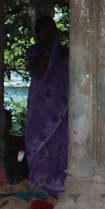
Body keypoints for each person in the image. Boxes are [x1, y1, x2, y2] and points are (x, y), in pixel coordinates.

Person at [24, 16, 70, 194]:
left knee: (62, 146)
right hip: (42, 110)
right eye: (46, 30)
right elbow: (39, 71)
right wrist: (49, 51)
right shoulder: (35, 52)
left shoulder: (63, 53)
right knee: (39, 148)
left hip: (62, 109)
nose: (50, 33)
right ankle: (39, 184)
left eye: (53, 29)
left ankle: (59, 184)